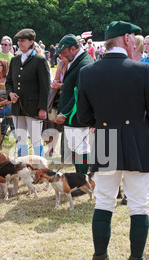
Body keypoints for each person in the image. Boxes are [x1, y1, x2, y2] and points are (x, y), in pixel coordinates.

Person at [77, 21, 149, 260]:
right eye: (134, 37)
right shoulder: (141, 70)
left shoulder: (88, 71)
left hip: (105, 138)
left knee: (103, 203)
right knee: (139, 205)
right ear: (126, 38)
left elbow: (83, 116)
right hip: (137, 140)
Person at [5, 28, 50, 157]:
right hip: (17, 106)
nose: (19, 43)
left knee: (36, 139)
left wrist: (42, 108)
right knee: (20, 139)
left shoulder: (40, 60)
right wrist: (10, 94)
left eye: (22, 41)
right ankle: (22, 165)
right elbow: (8, 82)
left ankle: (40, 167)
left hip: (33, 107)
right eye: (18, 41)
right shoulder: (14, 60)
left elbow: (45, 87)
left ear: (31, 42)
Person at [54, 34, 94, 176]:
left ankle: (82, 180)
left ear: (73, 48)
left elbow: (79, 93)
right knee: (75, 147)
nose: (62, 56)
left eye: (64, 53)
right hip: (73, 114)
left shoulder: (84, 63)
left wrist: (64, 113)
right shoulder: (78, 61)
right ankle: (80, 178)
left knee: (80, 148)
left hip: (77, 113)